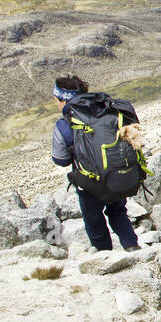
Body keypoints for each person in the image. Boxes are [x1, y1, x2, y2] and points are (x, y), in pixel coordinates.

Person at [51, 75, 140, 252]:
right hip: (117, 174)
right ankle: (131, 246)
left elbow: (60, 160)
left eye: (57, 100)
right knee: (118, 212)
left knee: (93, 218)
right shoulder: (110, 110)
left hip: (90, 182)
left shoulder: (65, 124)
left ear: (63, 100)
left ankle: (104, 255)